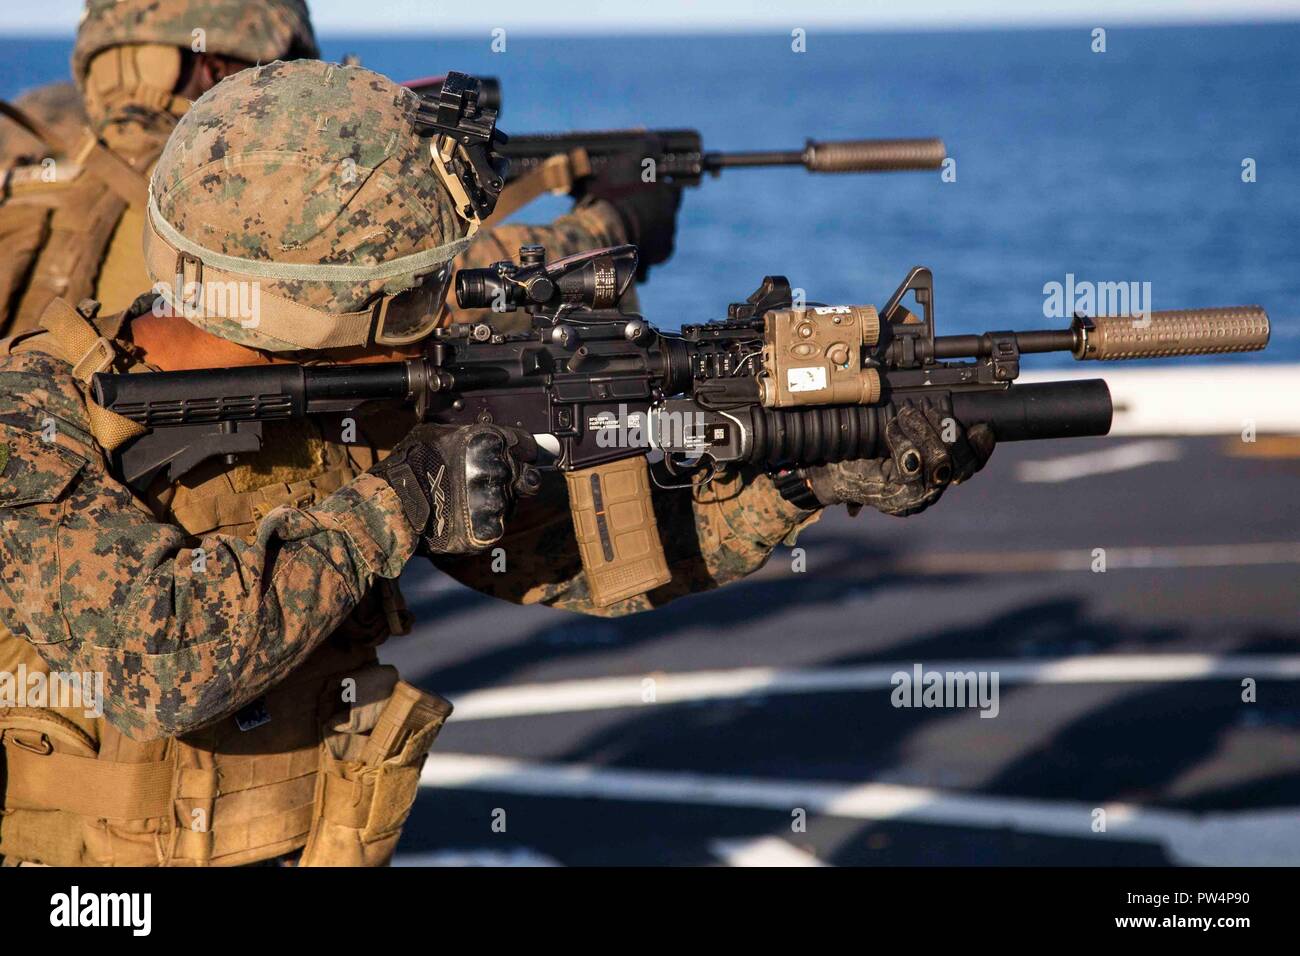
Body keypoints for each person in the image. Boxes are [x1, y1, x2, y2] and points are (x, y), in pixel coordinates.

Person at [0, 60, 992, 867]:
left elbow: (569, 557)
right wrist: (399, 502)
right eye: (411, 296)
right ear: (300, 305)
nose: (442, 310)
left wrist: (795, 475)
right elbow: (156, 656)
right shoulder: (32, 416)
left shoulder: (367, 393)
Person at [0, 0, 679, 341]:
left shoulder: (26, 148)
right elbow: (385, 304)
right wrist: (609, 227)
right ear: (212, 66)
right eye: (275, 73)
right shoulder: (218, 186)